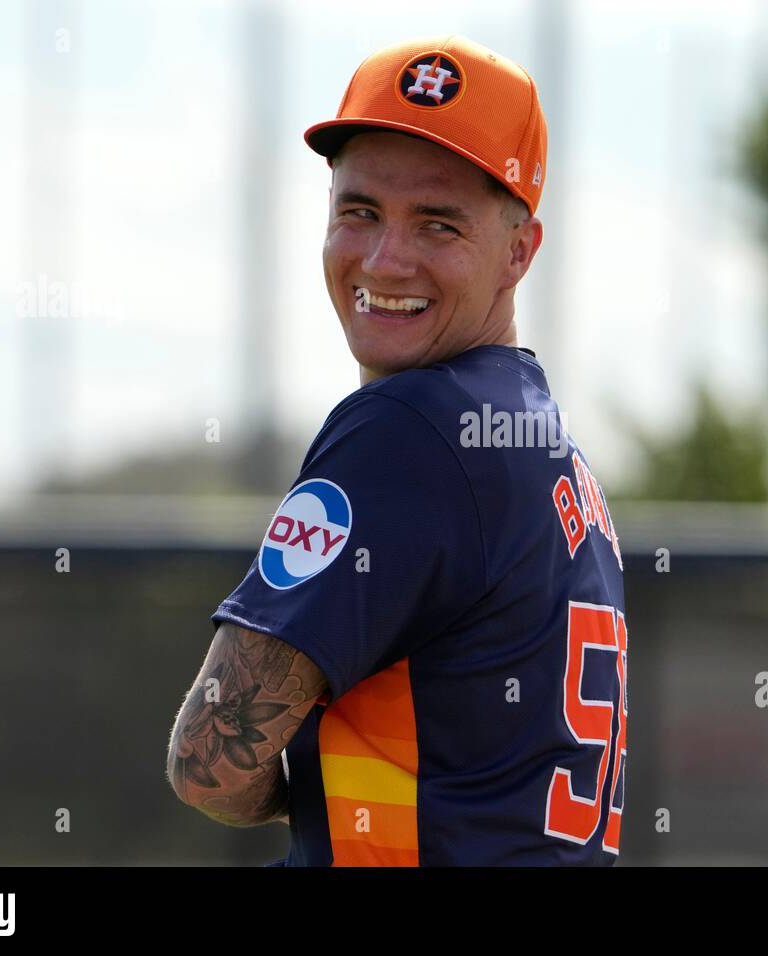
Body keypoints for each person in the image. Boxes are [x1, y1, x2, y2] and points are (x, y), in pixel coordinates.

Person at [166, 34, 629, 866]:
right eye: (360, 212)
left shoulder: (410, 428)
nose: (386, 258)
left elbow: (208, 763)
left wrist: (304, 802)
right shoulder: (545, 445)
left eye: (438, 223)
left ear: (519, 251)